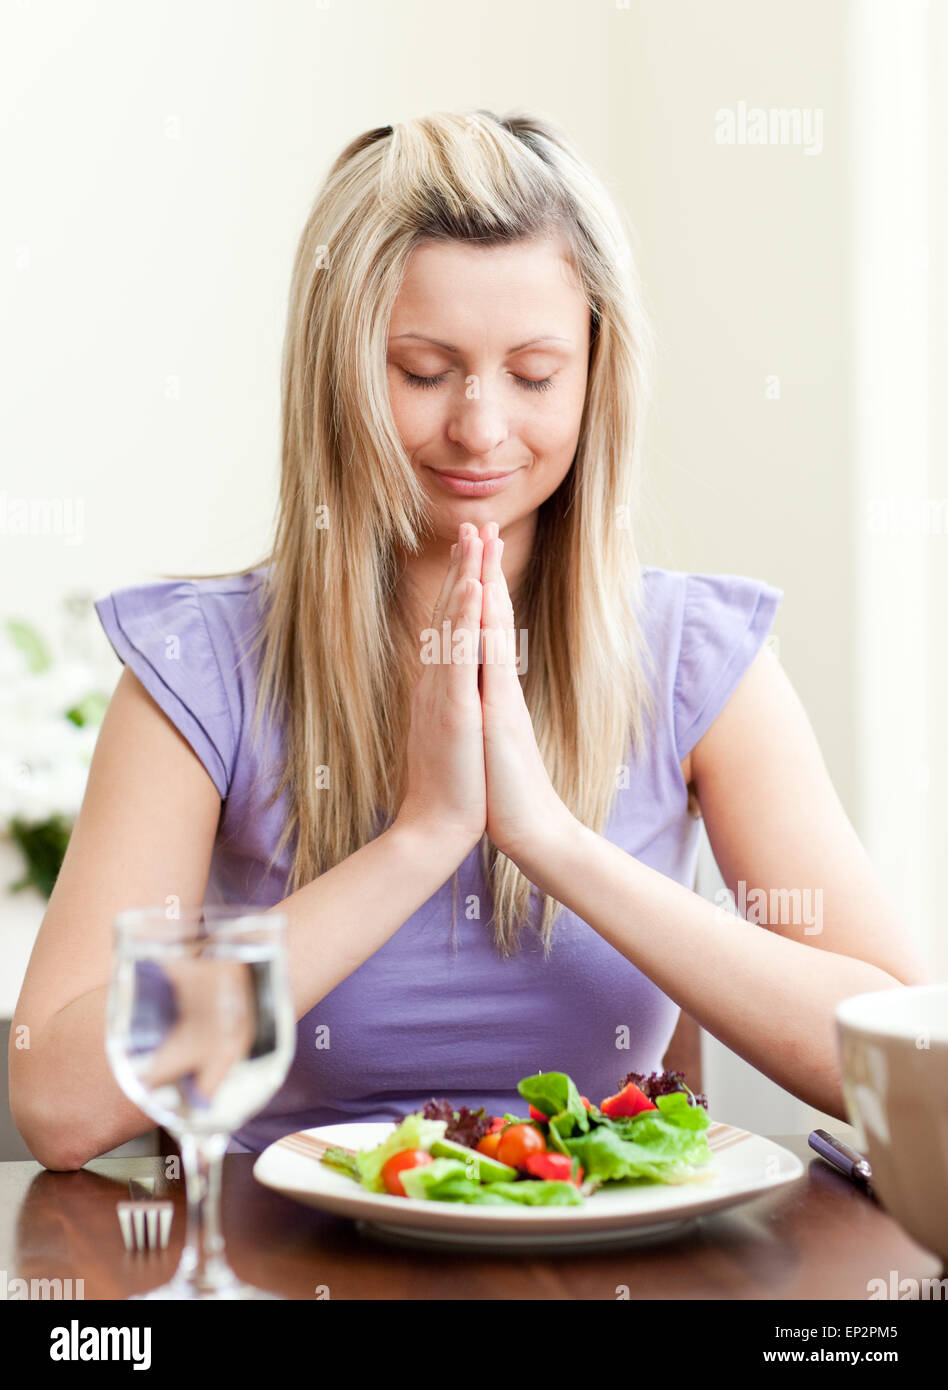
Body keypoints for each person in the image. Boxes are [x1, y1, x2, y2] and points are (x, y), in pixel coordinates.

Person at [10, 109, 928, 1169]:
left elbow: (904, 1052)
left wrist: (550, 839)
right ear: (341, 375)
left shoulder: (694, 654)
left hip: (587, 1262)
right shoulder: (200, 666)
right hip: (278, 1262)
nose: (482, 428)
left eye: (535, 374)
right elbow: (62, 1102)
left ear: (596, 374)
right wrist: (422, 838)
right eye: (423, 370)